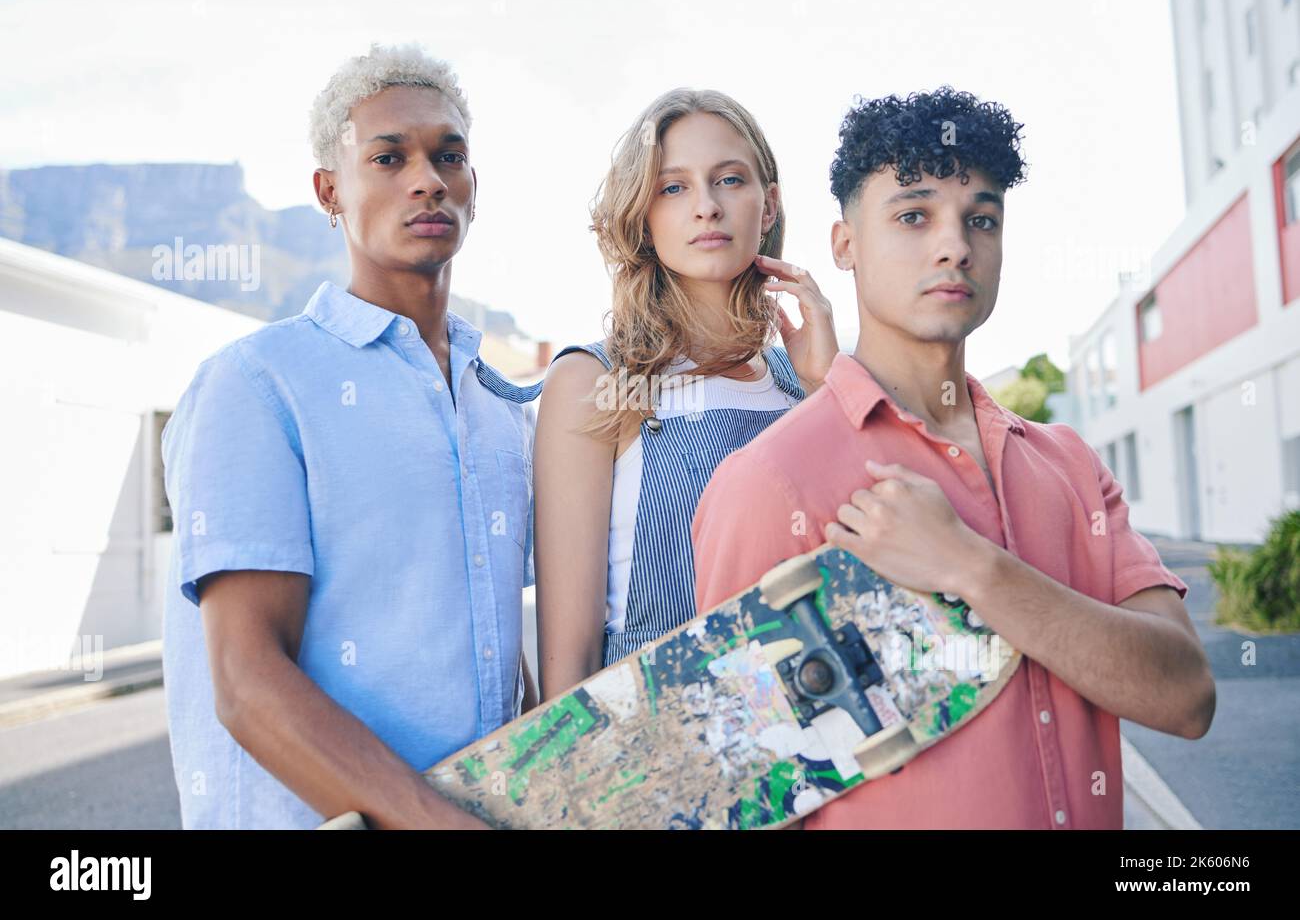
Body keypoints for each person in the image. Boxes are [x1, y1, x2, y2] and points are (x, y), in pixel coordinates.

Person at [691, 87, 1216, 829]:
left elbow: (1186, 695)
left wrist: (970, 567)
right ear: (845, 245)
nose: (955, 246)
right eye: (914, 215)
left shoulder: (1065, 463)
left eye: (982, 219)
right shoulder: (770, 482)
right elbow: (737, 794)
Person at [161, 43, 538, 829]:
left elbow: (499, 648)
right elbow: (246, 678)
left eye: (449, 156)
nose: (426, 178)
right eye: (388, 157)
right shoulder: (259, 384)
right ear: (330, 191)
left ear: (475, 186)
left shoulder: (500, 407)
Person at [534, 89, 838, 697]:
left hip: (817, 751)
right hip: (658, 754)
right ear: (644, 217)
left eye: (729, 179)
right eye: (674, 188)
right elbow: (566, 672)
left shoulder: (810, 384)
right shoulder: (597, 383)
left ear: (769, 204)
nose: (706, 207)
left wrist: (829, 392)